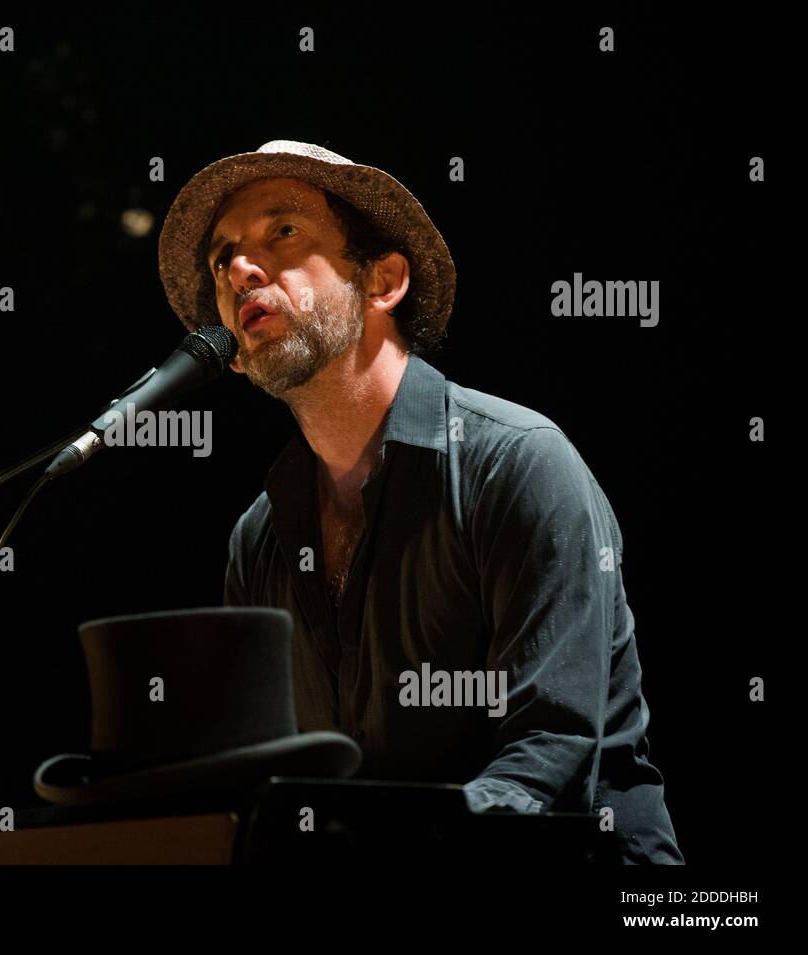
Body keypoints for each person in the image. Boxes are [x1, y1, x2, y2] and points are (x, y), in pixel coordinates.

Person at [156, 141, 683, 864]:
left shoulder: (519, 462)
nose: (241, 268)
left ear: (385, 280)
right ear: (235, 353)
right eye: (223, 259)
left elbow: (550, 756)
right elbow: (269, 784)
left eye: (282, 233)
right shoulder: (259, 537)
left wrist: (371, 845)